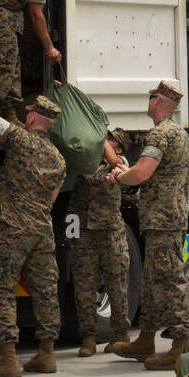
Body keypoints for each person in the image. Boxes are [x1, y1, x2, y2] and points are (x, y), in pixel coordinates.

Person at [0, 72, 65, 377]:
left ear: (34, 117)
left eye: (28, 112)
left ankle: (8, 359)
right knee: (45, 290)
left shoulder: (20, 140)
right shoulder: (59, 159)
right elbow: (50, 198)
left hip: (12, 229)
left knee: (0, 286)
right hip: (41, 231)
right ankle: (46, 354)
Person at [108, 82, 189, 371]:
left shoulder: (160, 134)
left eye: (151, 98)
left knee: (169, 281)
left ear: (158, 101)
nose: (148, 102)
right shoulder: (180, 133)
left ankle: (181, 346)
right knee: (151, 282)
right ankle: (145, 340)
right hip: (168, 219)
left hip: (162, 220)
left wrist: (119, 177)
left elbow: (142, 172)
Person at [69, 127, 132, 357]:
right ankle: (88, 338)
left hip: (110, 232)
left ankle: (121, 333)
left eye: (110, 140)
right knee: (84, 285)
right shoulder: (86, 160)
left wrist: (98, 135)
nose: (105, 141)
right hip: (84, 232)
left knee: (116, 285)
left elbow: (104, 168)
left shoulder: (119, 163)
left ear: (119, 147)